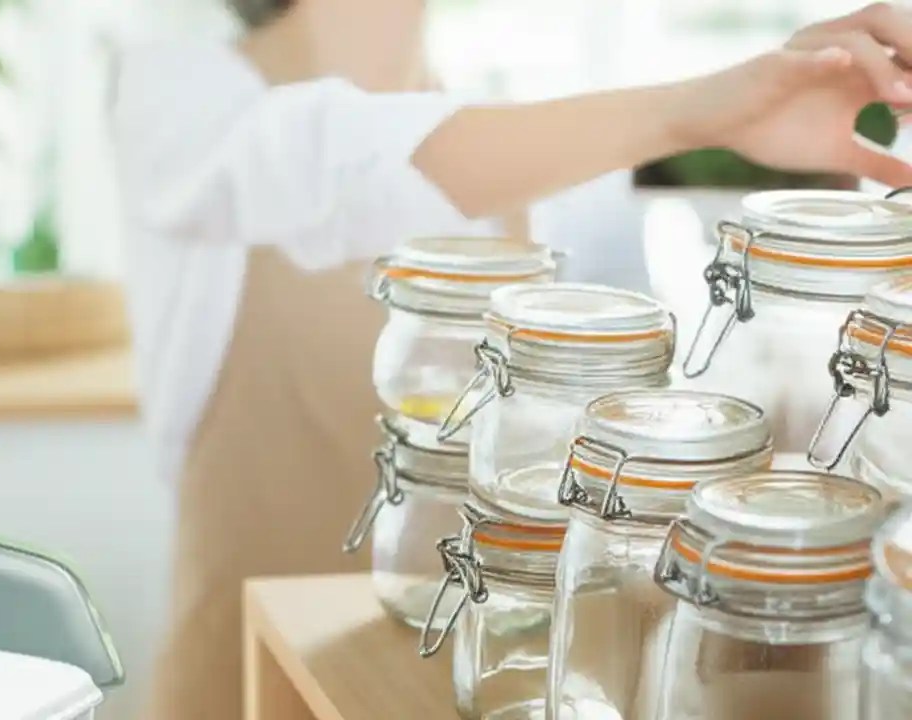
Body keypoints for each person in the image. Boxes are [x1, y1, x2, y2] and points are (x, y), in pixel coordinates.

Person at [109, 2, 912, 717]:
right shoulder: (173, 86)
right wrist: (698, 109)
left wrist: (795, 87)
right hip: (251, 675)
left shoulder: (509, 105)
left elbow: (659, 388)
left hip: (475, 679)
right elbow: (332, 169)